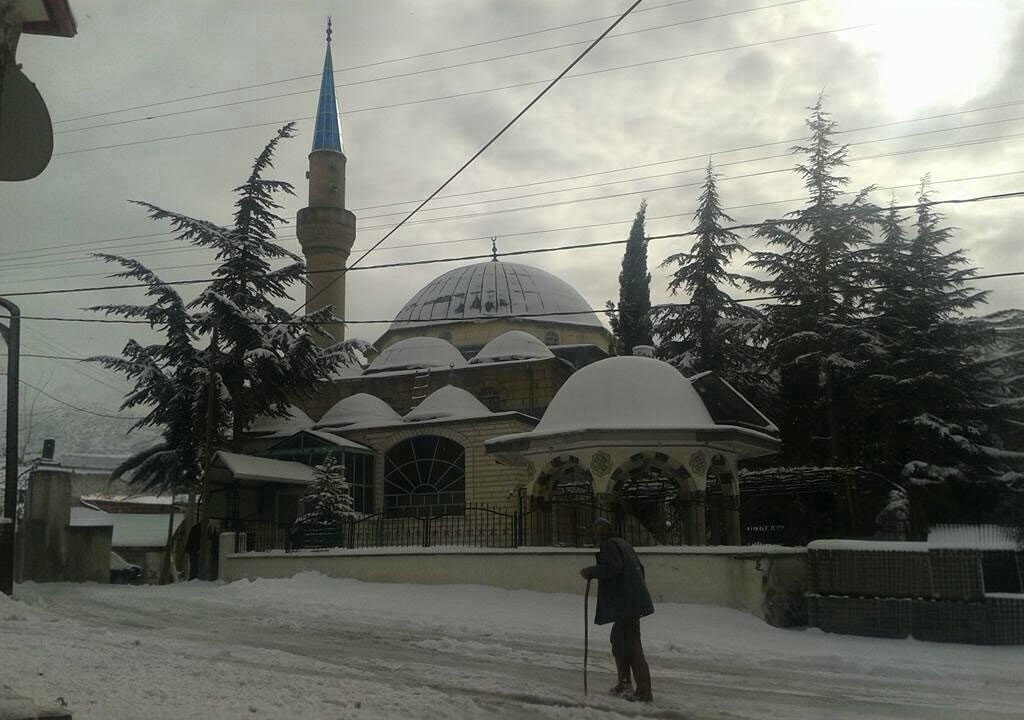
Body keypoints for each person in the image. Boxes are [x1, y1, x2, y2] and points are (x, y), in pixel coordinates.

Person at [580, 517, 654, 703]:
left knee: (632, 645)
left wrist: (592, 571)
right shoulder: (623, 543)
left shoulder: (609, 545)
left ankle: (643, 691)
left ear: (603, 530)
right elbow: (640, 569)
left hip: (627, 604)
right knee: (620, 641)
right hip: (631, 602)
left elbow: (613, 567)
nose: (596, 533)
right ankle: (625, 683)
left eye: (598, 529)